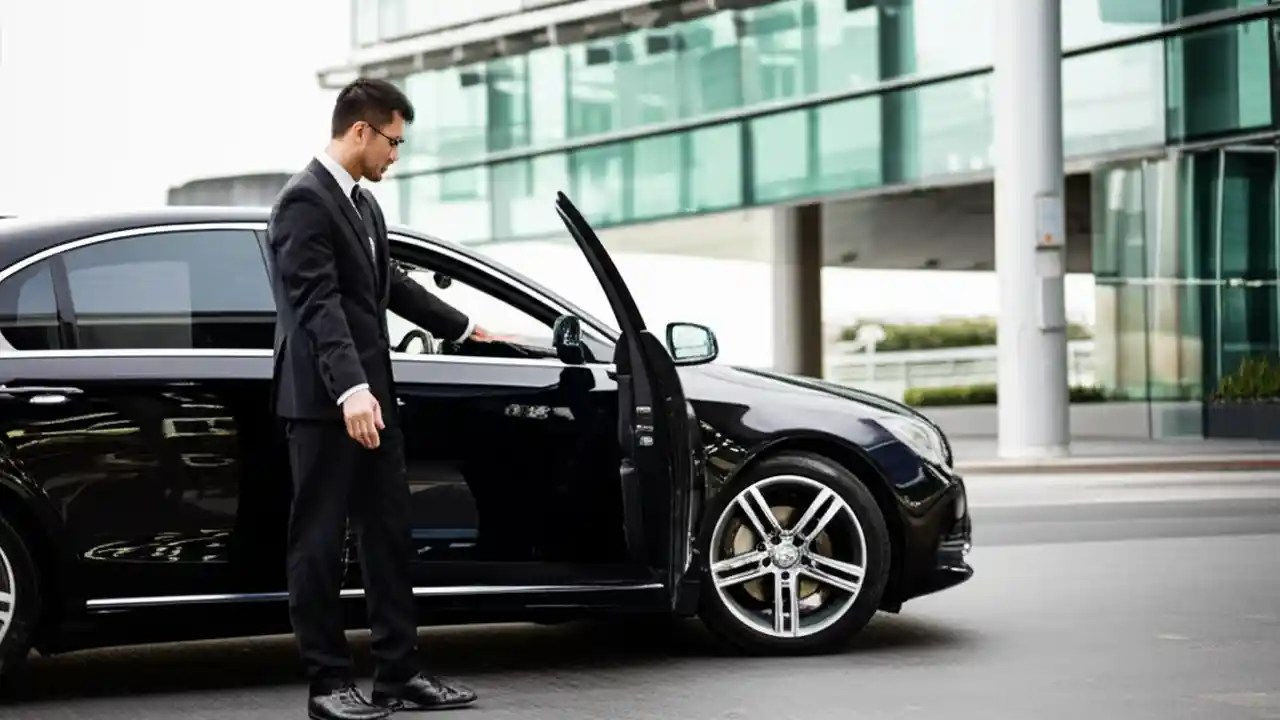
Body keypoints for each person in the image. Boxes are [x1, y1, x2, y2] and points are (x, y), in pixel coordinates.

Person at [266, 77, 485, 720]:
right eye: (393, 141)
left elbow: (388, 285)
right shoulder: (303, 201)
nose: (396, 154)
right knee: (318, 542)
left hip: (372, 401)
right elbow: (317, 304)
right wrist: (351, 390)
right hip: (325, 404)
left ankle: (399, 674)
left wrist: (466, 327)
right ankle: (327, 685)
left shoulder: (363, 205)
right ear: (360, 130)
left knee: (388, 534)